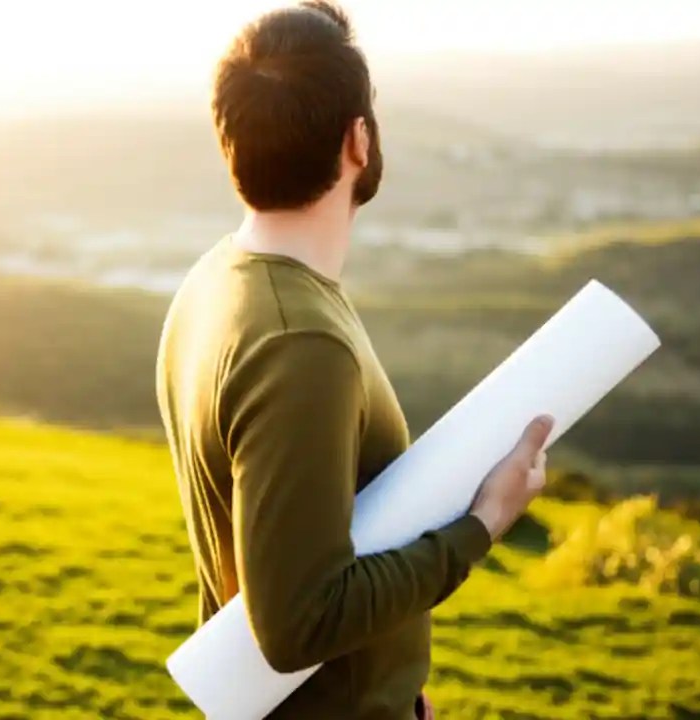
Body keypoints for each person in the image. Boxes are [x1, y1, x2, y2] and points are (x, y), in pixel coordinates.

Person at [155, 3, 552, 717]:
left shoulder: (216, 281)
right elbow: (298, 622)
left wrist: (393, 686)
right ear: (359, 140)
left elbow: (308, 540)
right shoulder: (299, 344)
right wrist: (483, 523)